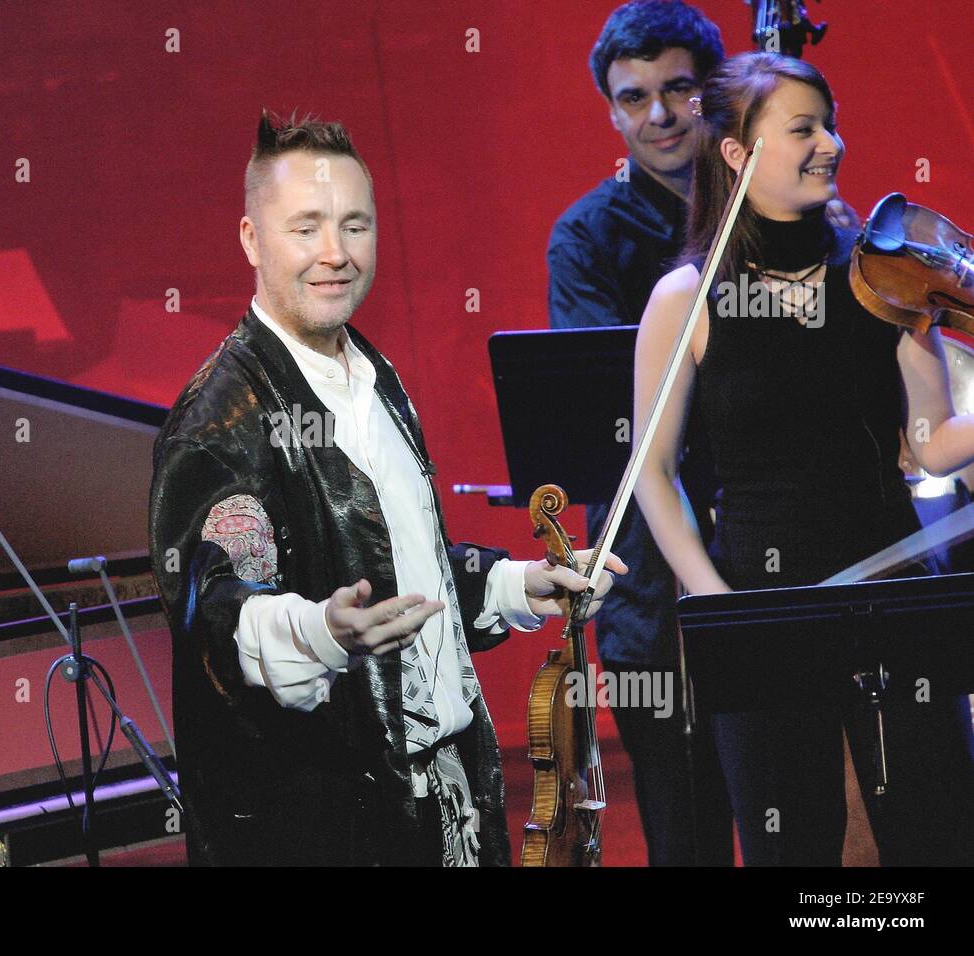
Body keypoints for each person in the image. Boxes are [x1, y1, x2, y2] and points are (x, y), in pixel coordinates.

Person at [149, 111, 624, 866]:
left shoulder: (378, 378)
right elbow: (219, 610)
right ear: (250, 239)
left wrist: (513, 584)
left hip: (447, 804)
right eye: (306, 228)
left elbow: (408, 565)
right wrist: (319, 631)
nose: (335, 254)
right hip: (327, 831)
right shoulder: (221, 418)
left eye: (355, 226)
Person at [634, 51, 974, 865]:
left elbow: (931, 445)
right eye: (804, 128)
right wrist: (714, 600)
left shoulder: (879, 277)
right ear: (736, 153)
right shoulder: (687, 296)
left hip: (891, 594)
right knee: (794, 844)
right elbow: (651, 469)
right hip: (762, 603)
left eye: (831, 123)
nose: (832, 143)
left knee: (937, 835)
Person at [546, 0, 733, 866]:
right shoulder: (586, 236)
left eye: (678, 90)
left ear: (715, 90)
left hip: (773, 535)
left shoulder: (776, 209)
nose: (656, 116)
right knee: (680, 813)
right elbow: (619, 423)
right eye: (632, 98)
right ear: (610, 109)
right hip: (649, 581)